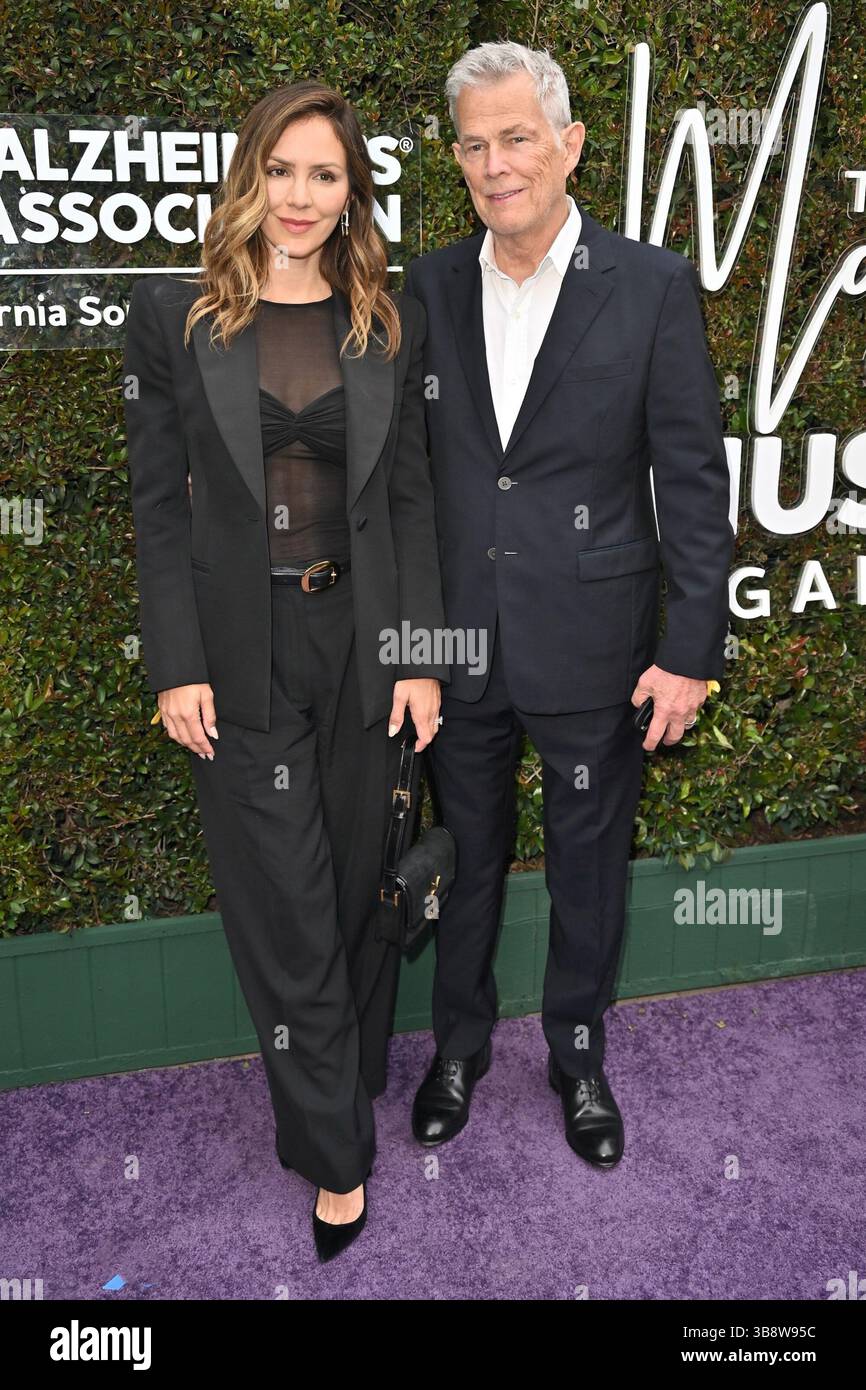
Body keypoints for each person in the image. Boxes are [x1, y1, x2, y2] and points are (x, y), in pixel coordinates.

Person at [123, 80, 448, 1260]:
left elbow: (408, 499)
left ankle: (337, 1081)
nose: (301, 197)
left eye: (326, 174)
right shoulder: (176, 316)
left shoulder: (384, 317)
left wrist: (419, 659)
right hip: (241, 658)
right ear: (246, 176)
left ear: (351, 189)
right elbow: (160, 512)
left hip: (363, 649)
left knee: (362, 891)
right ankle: (337, 1156)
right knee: (290, 912)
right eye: (282, 170)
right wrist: (175, 664)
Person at [404, 41, 734, 1166]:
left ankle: (578, 1055)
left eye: (515, 138)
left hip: (595, 641)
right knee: (462, 858)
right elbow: (403, 481)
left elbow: (690, 480)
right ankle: (457, 1047)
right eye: (473, 144)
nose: (495, 164)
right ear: (457, 159)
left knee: (588, 862)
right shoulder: (428, 285)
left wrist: (687, 649)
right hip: (454, 641)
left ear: (568, 145)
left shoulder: (648, 288)